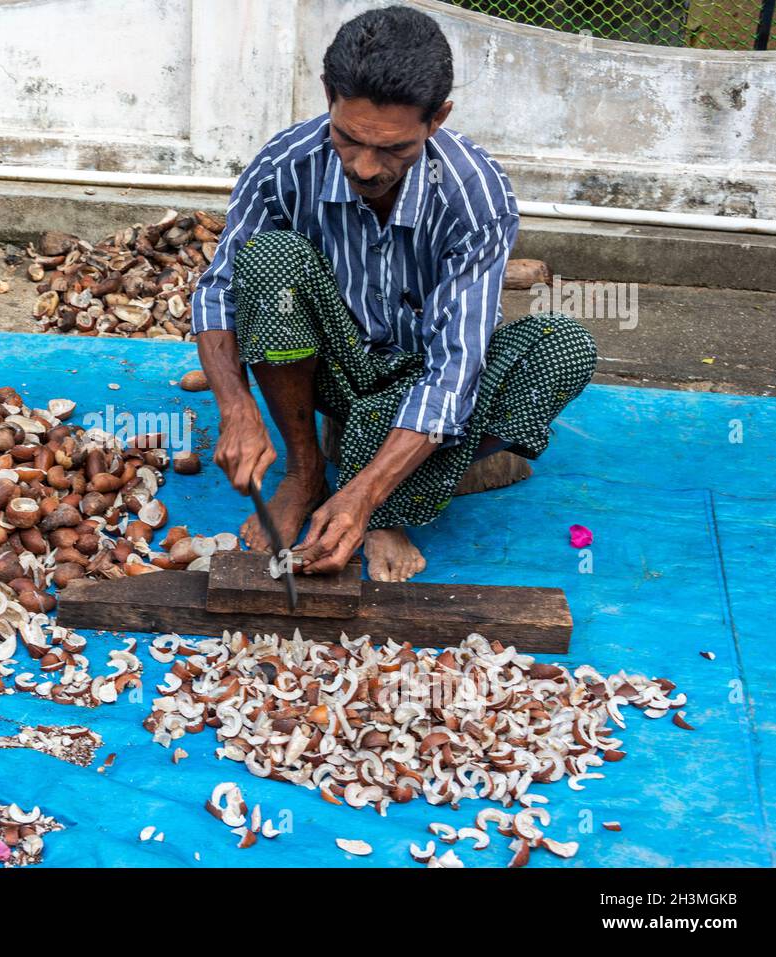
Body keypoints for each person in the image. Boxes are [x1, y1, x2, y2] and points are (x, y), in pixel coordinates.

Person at [190, 4, 596, 582]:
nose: (364, 166)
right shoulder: (285, 166)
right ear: (328, 94)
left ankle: (382, 505)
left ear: (438, 119)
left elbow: (454, 370)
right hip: (331, 366)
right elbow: (218, 291)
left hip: (421, 372)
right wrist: (236, 406)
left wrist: (367, 495)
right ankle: (306, 470)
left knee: (564, 344)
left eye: (394, 149)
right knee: (271, 259)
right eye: (348, 138)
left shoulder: (475, 194)